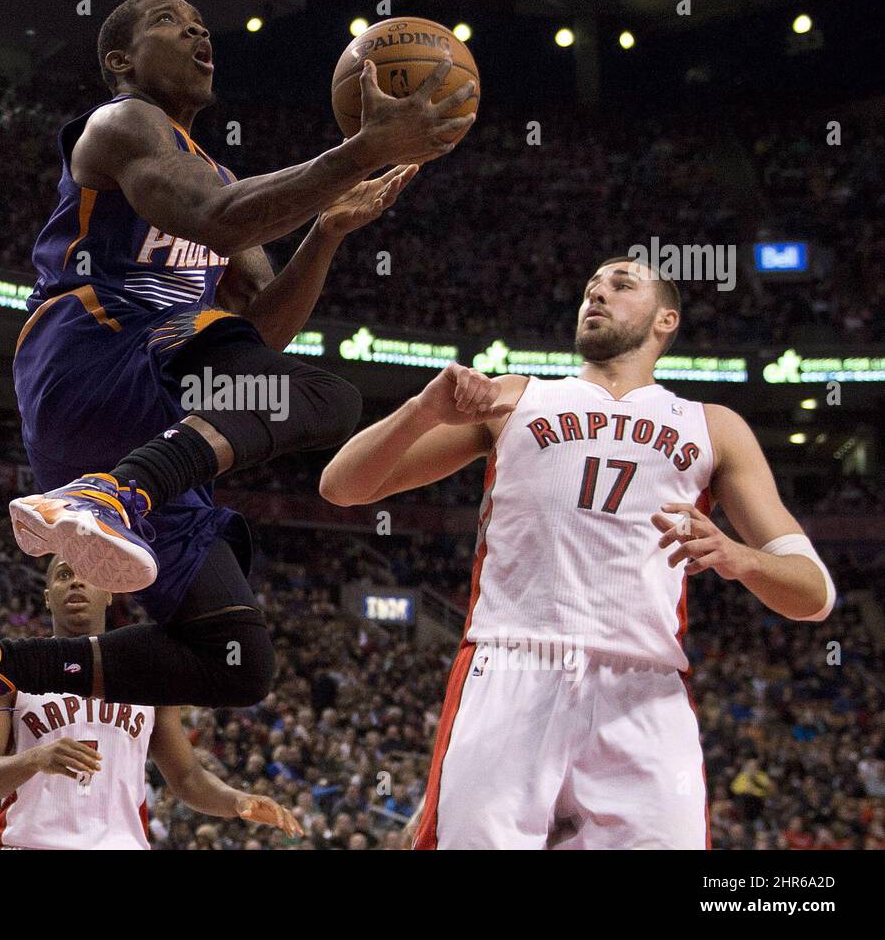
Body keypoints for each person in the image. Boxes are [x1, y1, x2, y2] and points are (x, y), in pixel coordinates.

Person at [0, 0, 476, 758]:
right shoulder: (122, 124)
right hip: (93, 349)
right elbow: (219, 219)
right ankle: (114, 493)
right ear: (119, 61)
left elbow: (259, 332)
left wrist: (325, 233)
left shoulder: (222, 175)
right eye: (168, 19)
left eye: (200, 21)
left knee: (234, 659)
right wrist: (356, 152)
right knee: (330, 393)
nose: (196, 27)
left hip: (150, 416)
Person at [319, 257, 836, 849]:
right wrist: (421, 411)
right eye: (590, 288)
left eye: (621, 285)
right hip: (514, 661)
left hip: (644, 684)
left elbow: (813, 592)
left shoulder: (713, 427)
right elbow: (343, 487)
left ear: (667, 319)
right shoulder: (515, 396)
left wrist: (738, 557)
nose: (597, 295)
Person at [0, 555, 301, 849]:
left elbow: (187, 778)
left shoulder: (150, 672)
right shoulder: (7, 671)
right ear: (48, 597)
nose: (76, 582)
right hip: (31, 843)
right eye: (64, 574)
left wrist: (236, 800)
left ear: (108, 592)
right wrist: (35, 758)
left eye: (87, 574)